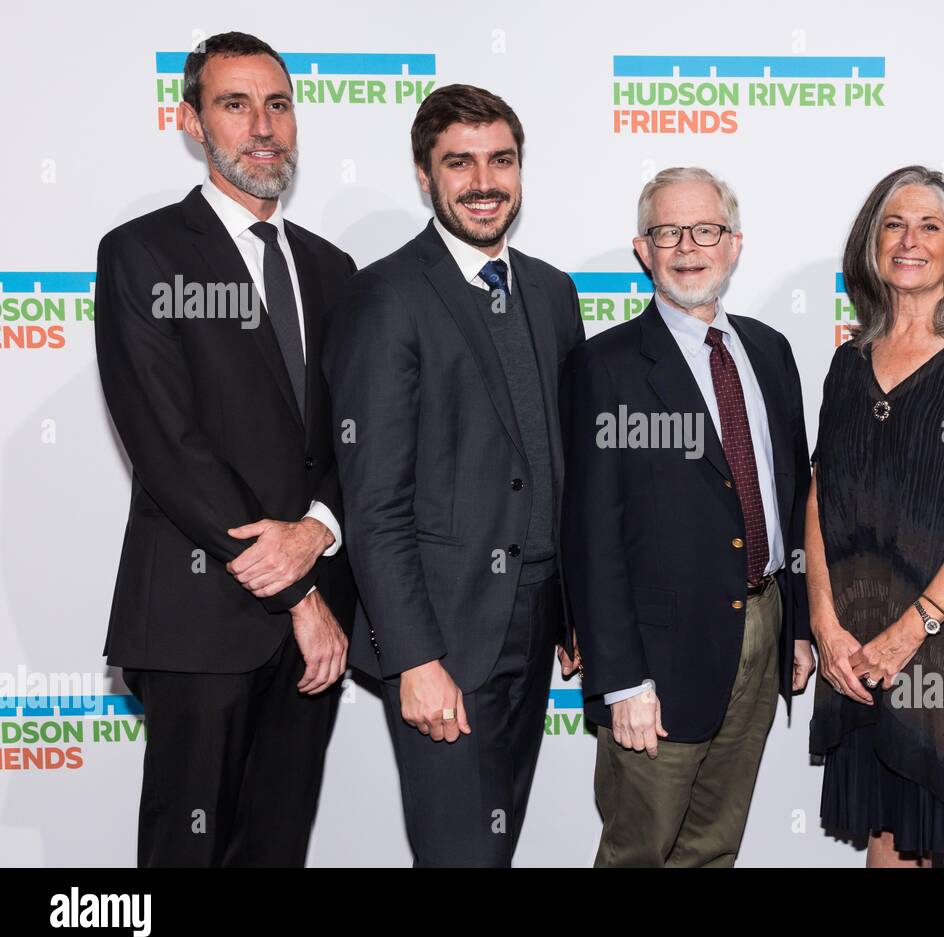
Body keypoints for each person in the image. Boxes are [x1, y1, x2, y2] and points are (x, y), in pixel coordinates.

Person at [94, 32, 355, 866]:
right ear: (193, 123)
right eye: (235, 105)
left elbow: (359, 437)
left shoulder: (332, 268)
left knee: (275, 849)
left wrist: (318, 532)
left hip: (313, 637)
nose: (262, 126)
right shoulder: (142, 253)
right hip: (198, 620)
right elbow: (168, 445)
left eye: (277, 104)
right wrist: (298, 593)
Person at [323, 84, 584, 867]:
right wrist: (414, 657)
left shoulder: (551, 290)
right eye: (459, 162)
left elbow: (560, 463)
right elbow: (373, 501)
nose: (483, 181)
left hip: (536, 622)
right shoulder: (385, 296)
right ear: (423, 173)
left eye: (501, 160)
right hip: (443, 635)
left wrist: (575, 612)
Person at [563, 167, 815, 868]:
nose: (686, 246)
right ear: (643, 250)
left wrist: (793, 627)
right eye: (667, 231)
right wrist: (621, 678)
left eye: (704, 229)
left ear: (733, 244)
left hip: (762, 632)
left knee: (712, 847)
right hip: (656, 658)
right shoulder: (604, 367)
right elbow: (590, 537)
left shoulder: (770, 351)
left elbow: (787, 495)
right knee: (638, 852)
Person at [807, 165, 944, 867]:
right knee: (888, 846)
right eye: (893, 225)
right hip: (863, 655)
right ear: (872, 245)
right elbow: (820, 497)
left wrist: (912, 630)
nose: (909, 240)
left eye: (929, 226)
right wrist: (822, 620)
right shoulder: (847, 364)